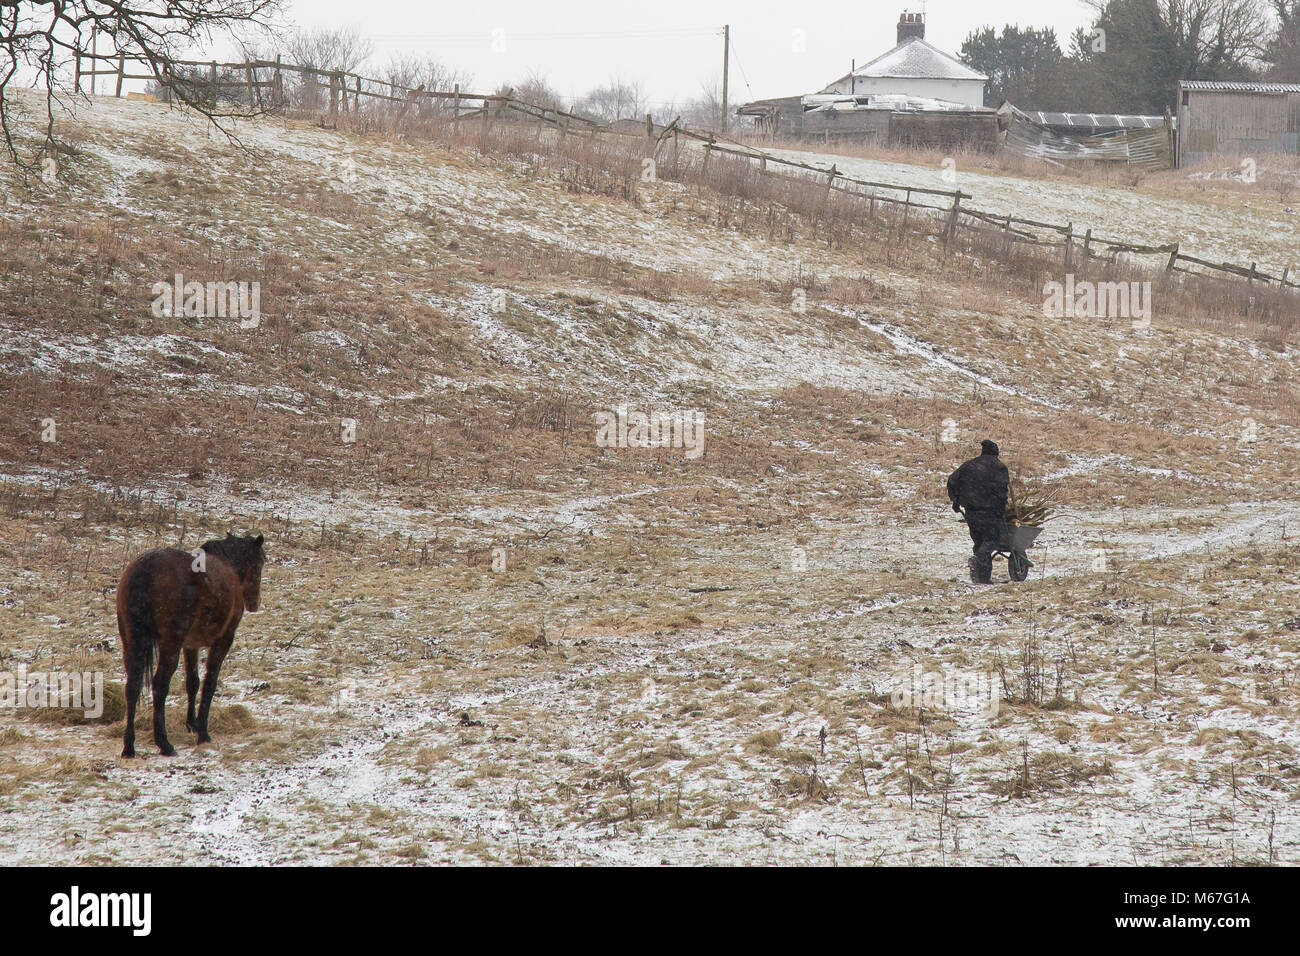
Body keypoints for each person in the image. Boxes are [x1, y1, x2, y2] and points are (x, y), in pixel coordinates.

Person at [946, 439, 1010, 584]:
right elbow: (1002, 491)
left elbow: (952, 480)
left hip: (971, 511)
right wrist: (1002, 510)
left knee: (979, 541)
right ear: (996, 453)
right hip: (990, 511)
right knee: (989, 541)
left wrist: (956, 501)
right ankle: (980, 568)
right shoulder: (999, 467)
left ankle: (982, 577)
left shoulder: (969, 465)